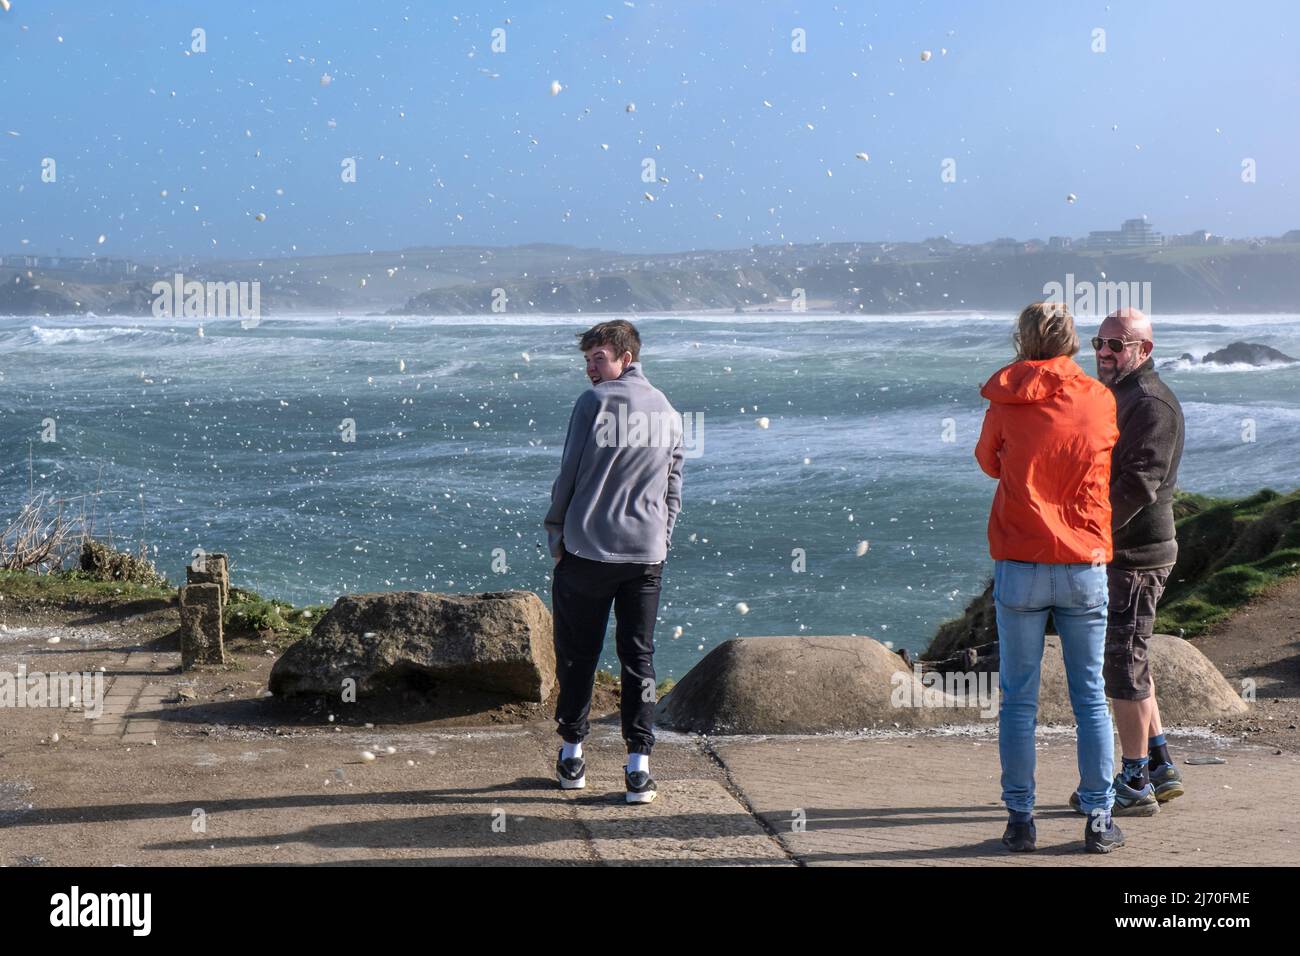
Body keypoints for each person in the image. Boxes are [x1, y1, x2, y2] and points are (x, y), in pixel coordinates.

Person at [975, 302, 1123, 853]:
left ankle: (1020, 820)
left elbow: (989, 462)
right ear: (1074, 342)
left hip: (1019, 562)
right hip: (1083, 560)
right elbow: (1104, 454)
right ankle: (1099, 818)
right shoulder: (1100, 399)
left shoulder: (1005, 399)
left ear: (1023, 339)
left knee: (1018, 699)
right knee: (1090, 696)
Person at [543, 319, 684, 804]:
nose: (590, 369)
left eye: (599, 358)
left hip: (587, 551)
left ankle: (572, 756)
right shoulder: (668, 409)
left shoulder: (593, 404)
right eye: (587, 360)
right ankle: (638, 769)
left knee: (579, 655)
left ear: (627, 357)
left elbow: (569, 474)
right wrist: (660, 537)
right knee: (638, 658)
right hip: (646, 555)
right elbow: (673, 487)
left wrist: (556, 533)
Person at [1085, 306, 1187, 815]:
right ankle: (1161, 764)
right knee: (1134, 658)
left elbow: (1137, 486)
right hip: (1127, 552)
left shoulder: (1149, 402)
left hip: (1138, 556)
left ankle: (1132, 783)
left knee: (1123, 666)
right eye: (1098, 343)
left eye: (1116, 345)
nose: (1104, 353)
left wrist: (1089, 535)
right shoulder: (1119, 395)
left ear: (1143, 350)